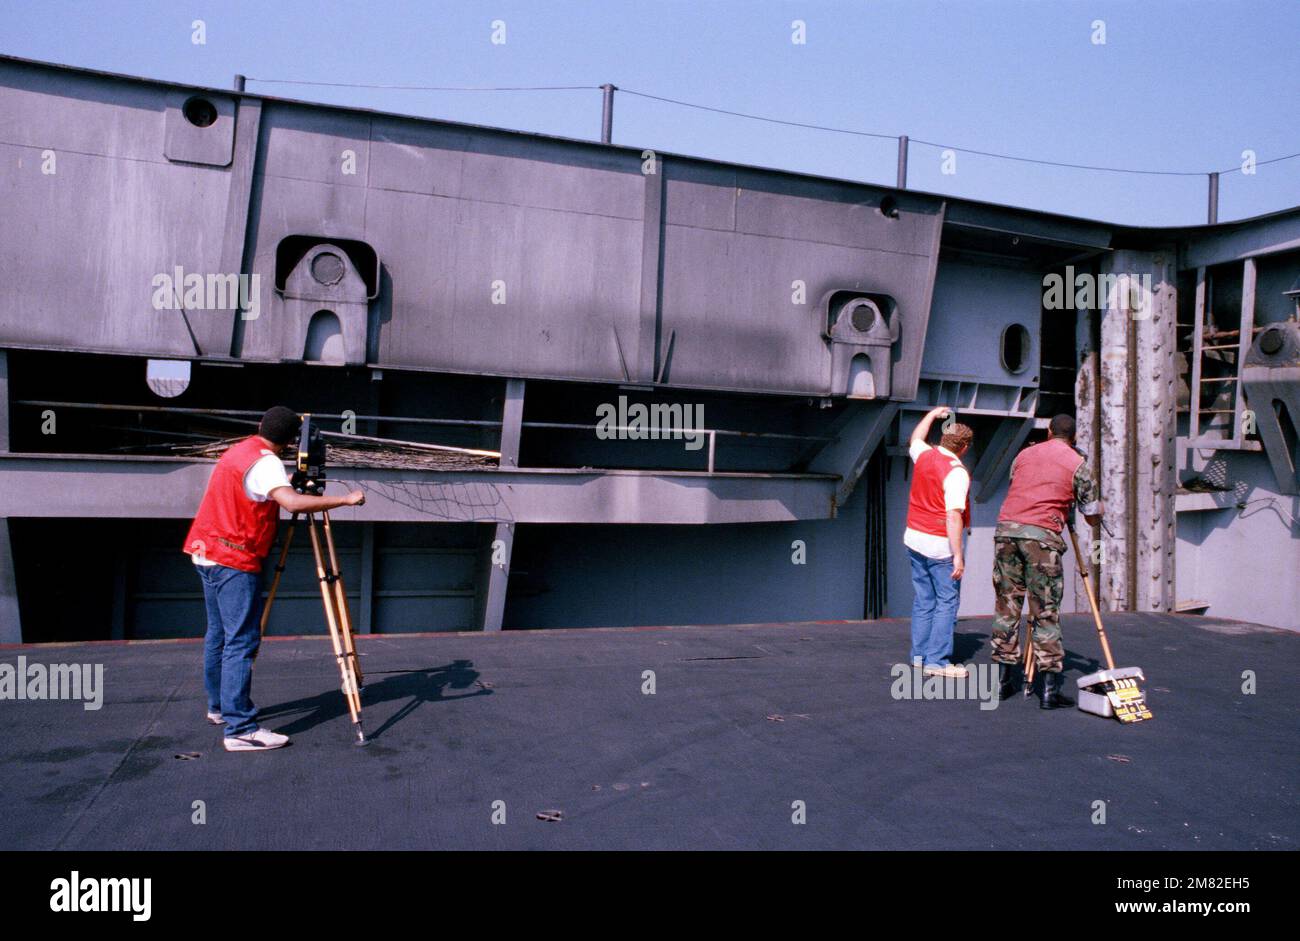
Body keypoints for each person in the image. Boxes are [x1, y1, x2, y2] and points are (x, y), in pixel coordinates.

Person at [182, 406, 365, 751]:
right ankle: (240, 730)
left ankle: (219, 708)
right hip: (233, 559)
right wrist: (345, 499)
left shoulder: (240, 450)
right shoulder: (267, 463)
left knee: (219, 634)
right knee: (241, 641)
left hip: (205, 550)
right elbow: (293, 504)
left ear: (260, 426)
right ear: (292, 441)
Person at [991, 413, 1103, 709]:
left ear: (1049, 431)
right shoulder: (1078, 463)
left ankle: (1002, 684)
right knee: (1045, 611)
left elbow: (1021, 484)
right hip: (1041, 537)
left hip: (1006, 532)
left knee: (1007, 605)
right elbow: (1092, 514)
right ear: (1074, 437)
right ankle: (1049, 691)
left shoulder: (1023, 455)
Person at [903, 406, 974, 678]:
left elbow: (915, 439)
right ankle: (937, 661)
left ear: (944, 440)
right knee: (947, 602)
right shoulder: (957, 472)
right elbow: (953, 515)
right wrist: (958, 554)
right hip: (939, 544)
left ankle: (919, 656)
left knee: (924, 599)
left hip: (914, 537)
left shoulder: (924, 455)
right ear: (964, 447)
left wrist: (932, 415)